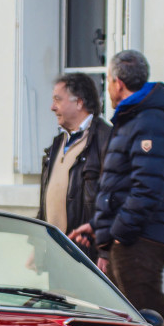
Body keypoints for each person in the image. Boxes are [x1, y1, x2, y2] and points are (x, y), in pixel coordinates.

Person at [77, 49, 164, 324]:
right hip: (129, 239)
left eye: (108, 83)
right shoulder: (132, 117)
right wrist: (99, 226)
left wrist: (116, 233)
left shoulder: (149, 119)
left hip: (139, 241)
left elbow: (147, 190)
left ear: (118, 83)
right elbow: (121, 184)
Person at [37, 73, 110, 262]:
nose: (52, 107)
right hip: (56, 249)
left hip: (86, 255)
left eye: (58, 100)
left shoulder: (105, 140)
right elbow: (47, 197)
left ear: (79, 103)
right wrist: (38, 245)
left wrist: (105, 251)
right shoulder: (57, 144)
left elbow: (113, 200)